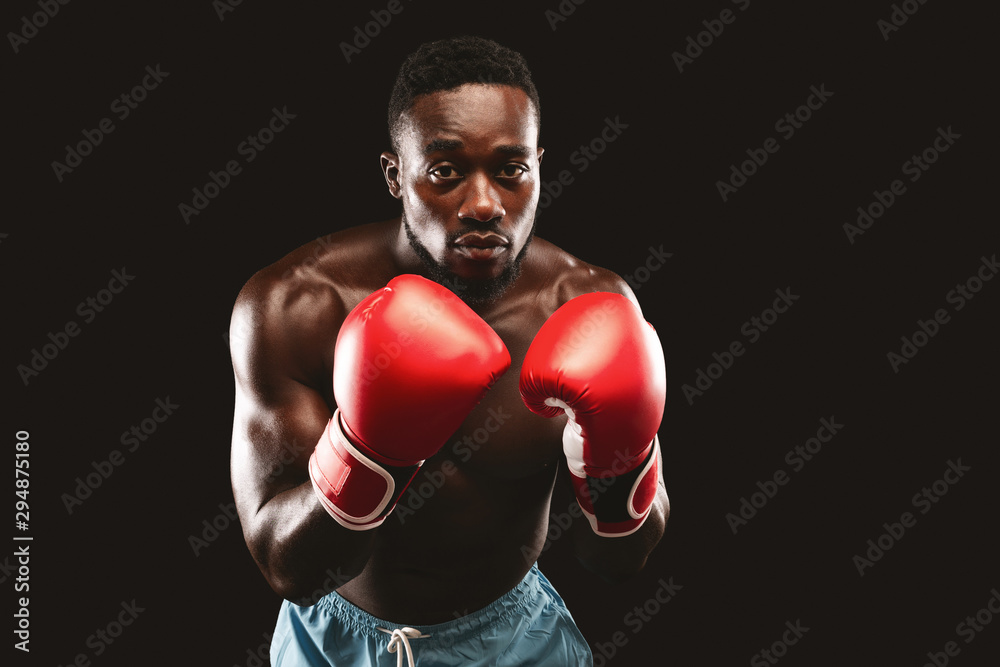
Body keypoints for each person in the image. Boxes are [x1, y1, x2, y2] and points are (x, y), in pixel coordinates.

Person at [229, 35, 669, 667]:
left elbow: (619, 561)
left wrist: (619, 460)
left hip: (515, 641)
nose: (484, 204)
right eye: (446, 172)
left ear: (539, 168)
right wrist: (365, 448)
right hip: (333, 642)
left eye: (510, 169)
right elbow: (287, 569)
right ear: (394, 175)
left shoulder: (587, 306)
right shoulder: (296, 306)